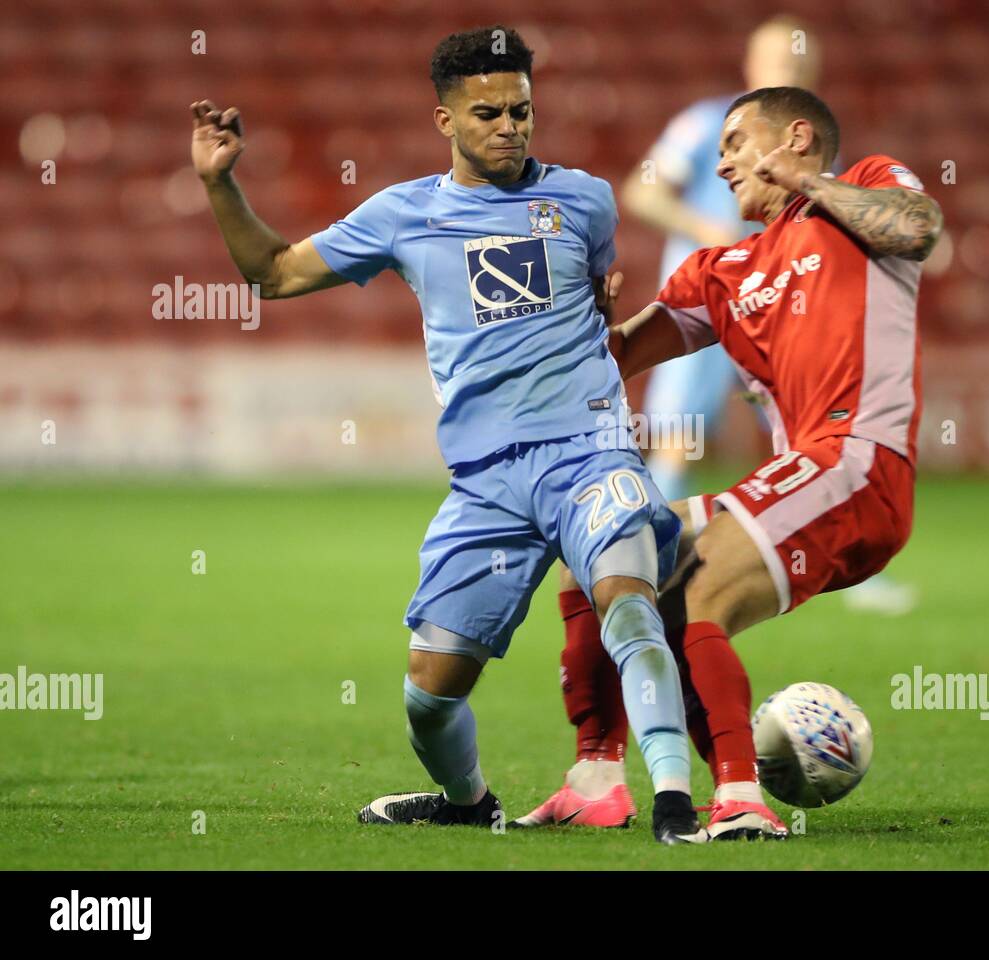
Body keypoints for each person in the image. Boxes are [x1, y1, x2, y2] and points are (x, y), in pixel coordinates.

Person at [189, 26, 706, 845]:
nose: (511, 126)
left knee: (628, 605)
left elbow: (600, 302)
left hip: (589, 451)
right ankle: (468, 801)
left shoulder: (585, 199)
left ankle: (676, 805)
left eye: (523, 110)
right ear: (444, 120)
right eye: (489, 112)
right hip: (486, 481)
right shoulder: (404, 214)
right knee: (429, 692)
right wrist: (221, 185)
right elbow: (275, 273)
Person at [514, 87, 941, 839]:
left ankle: (741, 800)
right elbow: (615, 358)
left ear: (798, 137)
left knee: (700, 587)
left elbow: (918, 229)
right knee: (602, 557)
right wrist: (580, 316)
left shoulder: (869, 186)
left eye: (738, 141)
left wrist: (807, 185)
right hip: (803, 475)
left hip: (857, 464)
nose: (722, 160)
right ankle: (597, 778)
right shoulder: (725, 270)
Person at [622, 15, 821, 503]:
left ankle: (839, 562)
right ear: (751, 65)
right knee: (678, 436)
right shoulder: (708, 123)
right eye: (777, 59)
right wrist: (707, 229)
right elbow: (642, 192)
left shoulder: (815, 145)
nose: (787, 71)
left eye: (797, 61)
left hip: (779, 305)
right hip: (707, 298)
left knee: (809, 434)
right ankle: (647, 545)